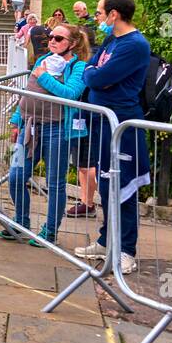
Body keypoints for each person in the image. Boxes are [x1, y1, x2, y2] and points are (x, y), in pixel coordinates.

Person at [74, 0, 150, 275]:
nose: (98, 17)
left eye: (100, 12)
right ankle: (107, 241)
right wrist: (93, 74)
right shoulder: (112, 40)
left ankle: (126, 250)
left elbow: (98, 76)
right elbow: (91, 69)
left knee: (123, 186)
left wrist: (94, 75)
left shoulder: (135, 45)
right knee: (107, 184)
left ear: (114, 14)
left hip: (122, 124)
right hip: (104, 123)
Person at [2, 23, 89, 246]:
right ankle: (21, 222)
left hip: (58, 129)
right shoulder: (43, 61)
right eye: (51, 36)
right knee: (16, 176)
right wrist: (16, 121)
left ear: (73, 43)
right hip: (31, 127)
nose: (52, 40)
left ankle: (50, 231)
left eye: (59, 38)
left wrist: (44, 78)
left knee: (55, 182)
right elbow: (29, 93)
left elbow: (70, 94)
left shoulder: (79, 67)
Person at [64, 26, 99, 219]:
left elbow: (72, 91)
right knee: (81, 163)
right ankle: (85, 200)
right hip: (79, 117)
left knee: (87, 163)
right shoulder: (79, 62)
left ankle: (88, 202)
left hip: (86, 116)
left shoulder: (85, 63)